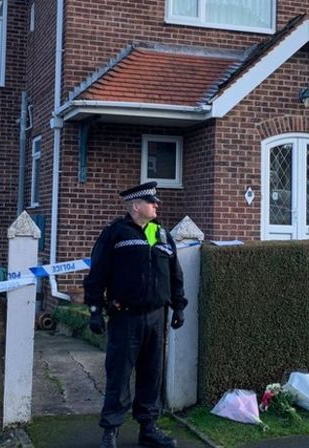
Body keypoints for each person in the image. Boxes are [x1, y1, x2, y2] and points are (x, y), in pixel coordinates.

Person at [84, 181, 187, 448]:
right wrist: (95, 309)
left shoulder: (161, 234)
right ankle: (111, 431)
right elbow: (97, 274)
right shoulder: (115, 234)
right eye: (151, 202)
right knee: (119, 374)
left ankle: (148, 428)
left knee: (151, 374)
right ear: (135, 206)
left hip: (156, 316)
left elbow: (175, 273)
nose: (156, 206)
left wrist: (179, 305)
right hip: (125, 317)